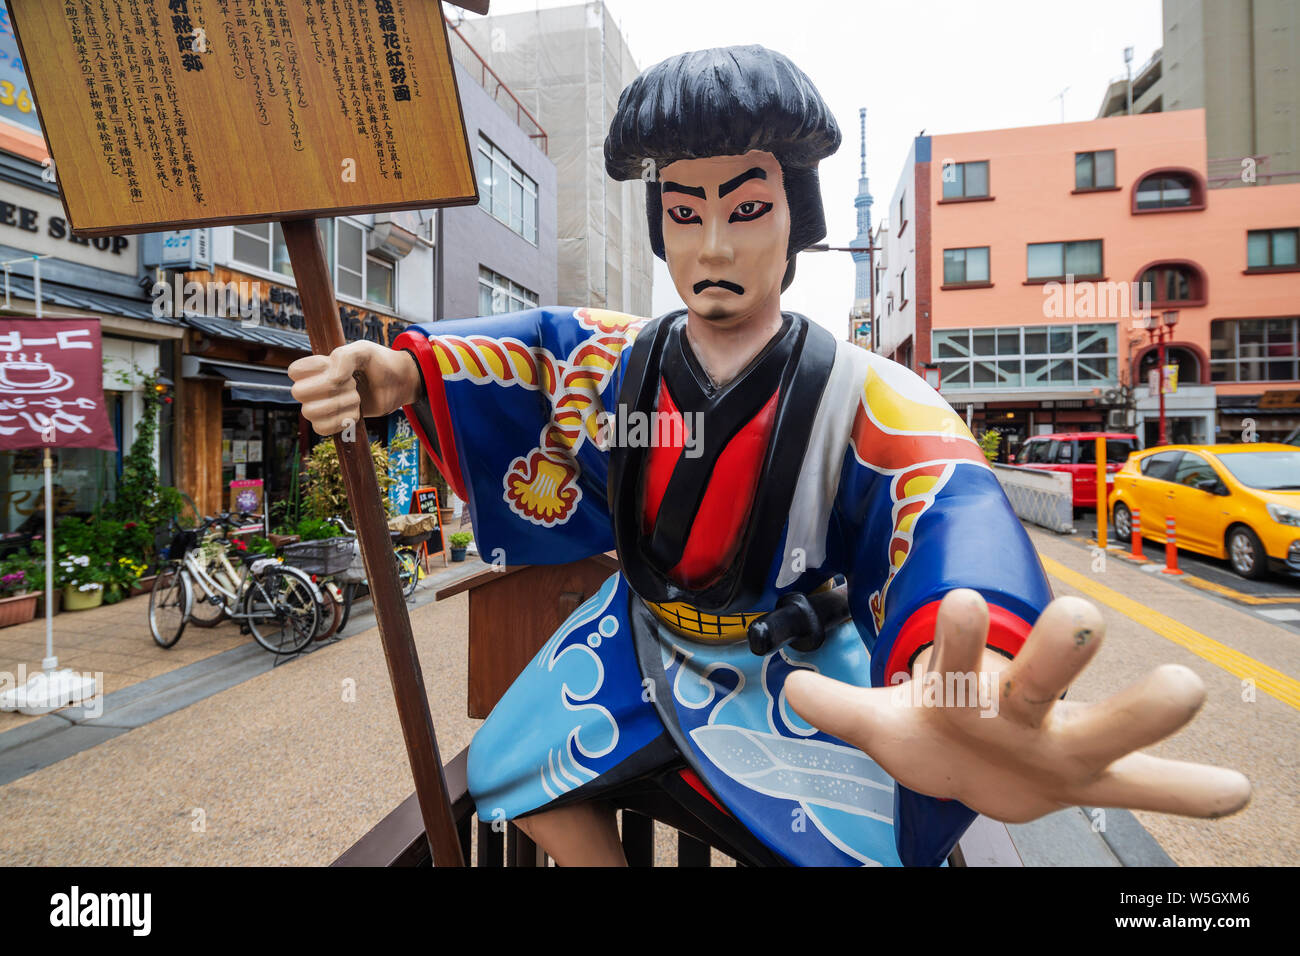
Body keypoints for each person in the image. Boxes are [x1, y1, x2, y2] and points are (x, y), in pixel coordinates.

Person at [289, 45, 1249, 866]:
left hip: (793, 661)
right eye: (681, 210)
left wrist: (969, 683)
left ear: (797, 217)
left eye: (746, 210)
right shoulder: (617, 358)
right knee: (508, 773)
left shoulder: (866, 394)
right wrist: (398, 374)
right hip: (639, 635)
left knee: (857, 845)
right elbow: (523, 358)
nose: (710, 246)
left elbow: (949, 511)